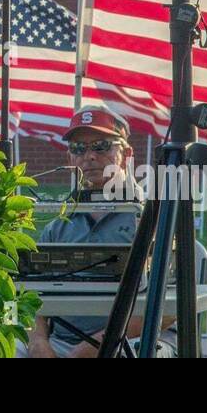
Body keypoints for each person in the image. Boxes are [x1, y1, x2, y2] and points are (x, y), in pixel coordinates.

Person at [22, 104, 177, 358]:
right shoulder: (57, 227)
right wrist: (37, 341)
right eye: (78, 148)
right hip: (58, 342)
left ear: (126, 155)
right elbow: (28, 296)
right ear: (70, 159)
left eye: (101, 145)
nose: (89, 156)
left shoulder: (155, 218)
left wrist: (93, 347)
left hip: (136, 340)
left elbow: (170, 309)